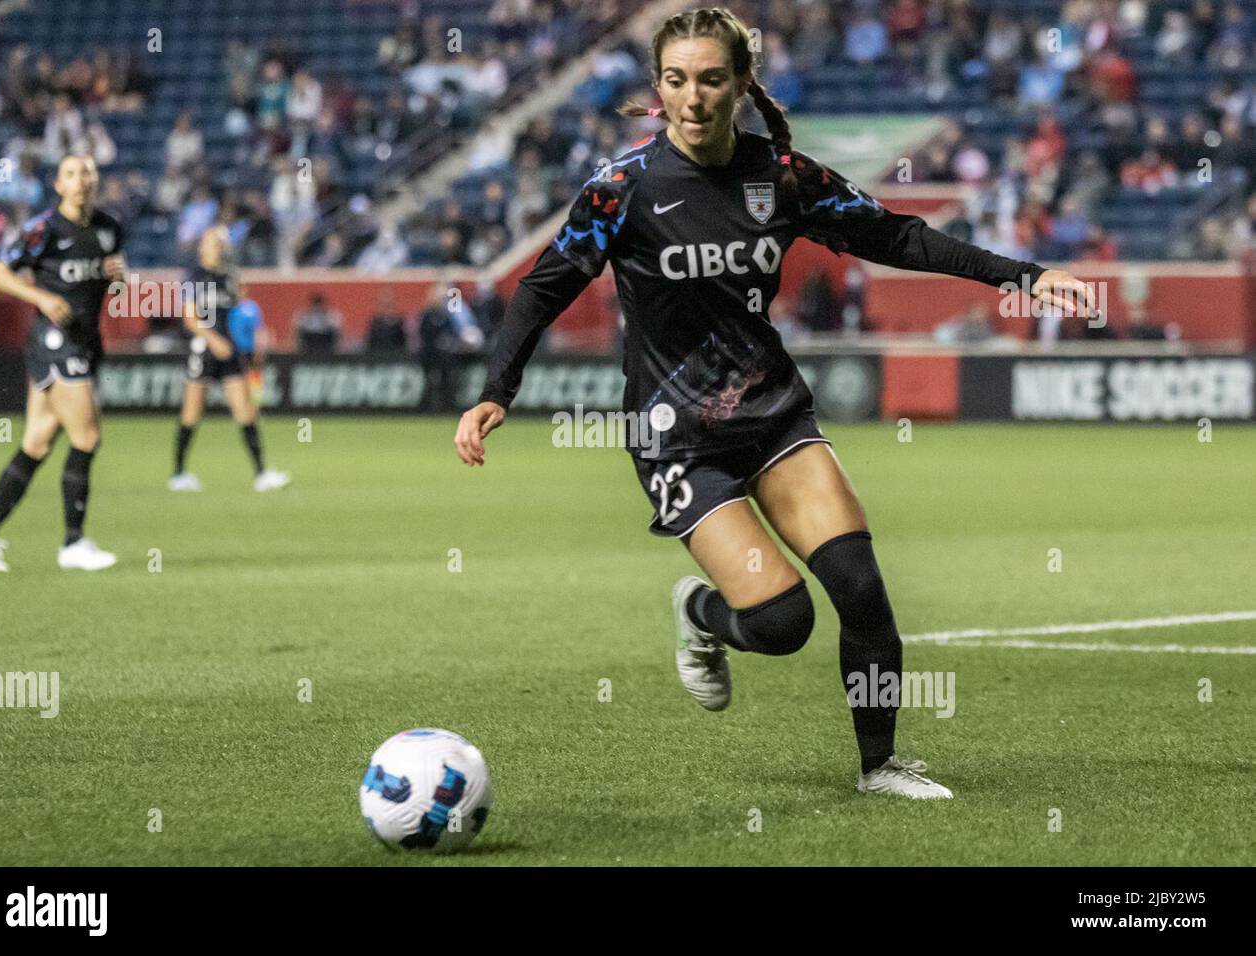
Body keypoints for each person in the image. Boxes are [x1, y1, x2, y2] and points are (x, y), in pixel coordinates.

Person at [454, 8, 1097, 800]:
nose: (694, 98)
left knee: (861, 590)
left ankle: (879, 766)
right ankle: (700, 614)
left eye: (712, 79)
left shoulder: (782, 177)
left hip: (775, 418)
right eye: (677, 80)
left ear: (741, 84)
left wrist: (1023, 276)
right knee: (783, 625)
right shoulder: (620, 190)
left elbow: (894, 238)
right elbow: (542, 288)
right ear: (658, 89)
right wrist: (495, 393)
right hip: (677, 438)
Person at [0, 154, 126, 572]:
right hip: (54, 343)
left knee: (36, 443)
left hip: (86, 341)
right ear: (58, 184)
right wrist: (42, 298)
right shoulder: (43, 229)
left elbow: (109, 285)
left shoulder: (109, 229)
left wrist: (117, 278)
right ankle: (73, 543)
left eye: (87, 172)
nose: (81, 180)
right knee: (87, 438)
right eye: (71, 173)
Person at [169, 225, 290, 493]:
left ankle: (261, 473)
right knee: (192, 413)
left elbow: (235, 307)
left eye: (221, 243)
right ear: (202, 246)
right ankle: (178, 473)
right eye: (213, 242)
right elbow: (190, 319)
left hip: (228, 348)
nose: (218, 247)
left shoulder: (227, 276)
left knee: (246, 409)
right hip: (204, 347)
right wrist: (215, 341)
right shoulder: (193, 276)